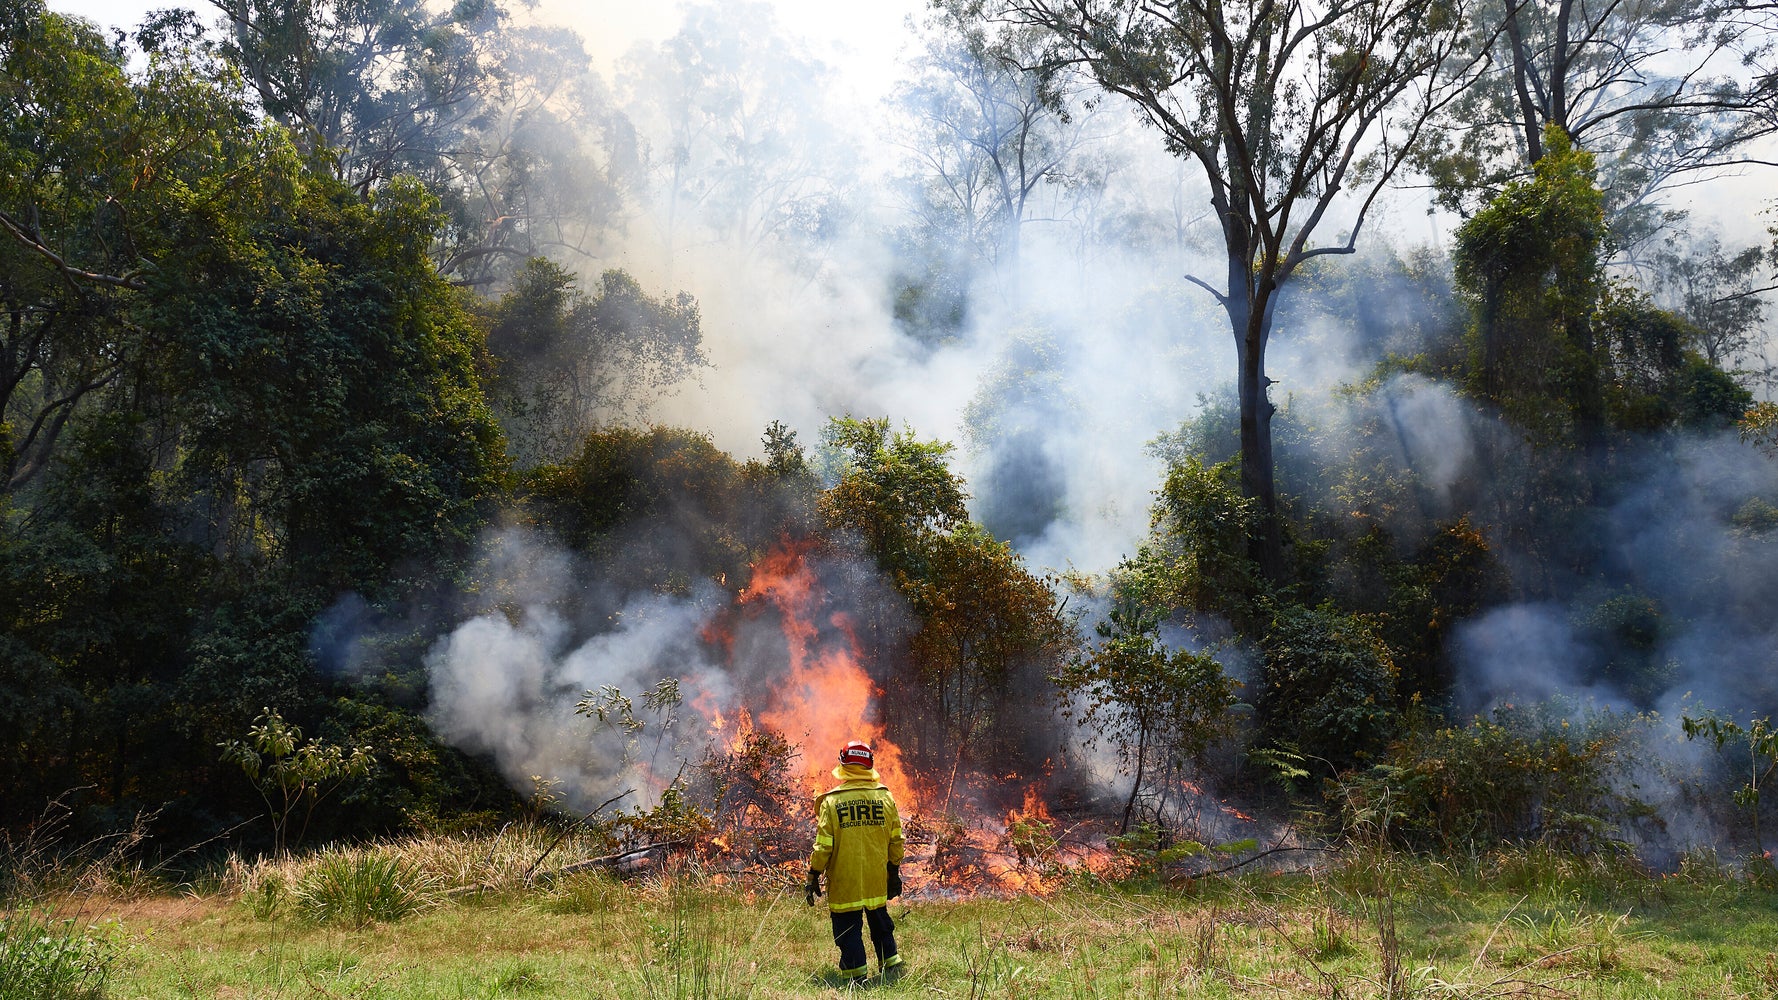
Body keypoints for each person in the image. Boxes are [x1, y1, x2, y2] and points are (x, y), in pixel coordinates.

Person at [805, 740, 905, 984]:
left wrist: (813, 873)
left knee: (848, 929)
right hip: (875, 878)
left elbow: (823, 847)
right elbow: (896, 840)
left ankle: (856, 977)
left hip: (845, 880)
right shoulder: (885, 798)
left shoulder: (831, 802)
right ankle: (890, 965)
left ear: (843, 764)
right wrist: (893, 871)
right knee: (880, 922)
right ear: (870, 764)